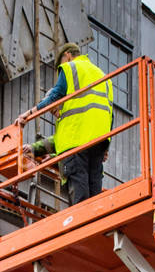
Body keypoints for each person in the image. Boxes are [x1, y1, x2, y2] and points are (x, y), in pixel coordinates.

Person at [18, 43, 114, 206]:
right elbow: (109, 113)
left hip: (77, 145)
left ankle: (82, 226)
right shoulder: (103, 77)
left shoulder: (70, 68)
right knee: (94, 194)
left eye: (54, 110)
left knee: (80, 194)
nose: (55, 113)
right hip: (99, 140)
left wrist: (28, 115)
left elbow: (55, 96)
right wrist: (36, 149)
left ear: (67, 55)